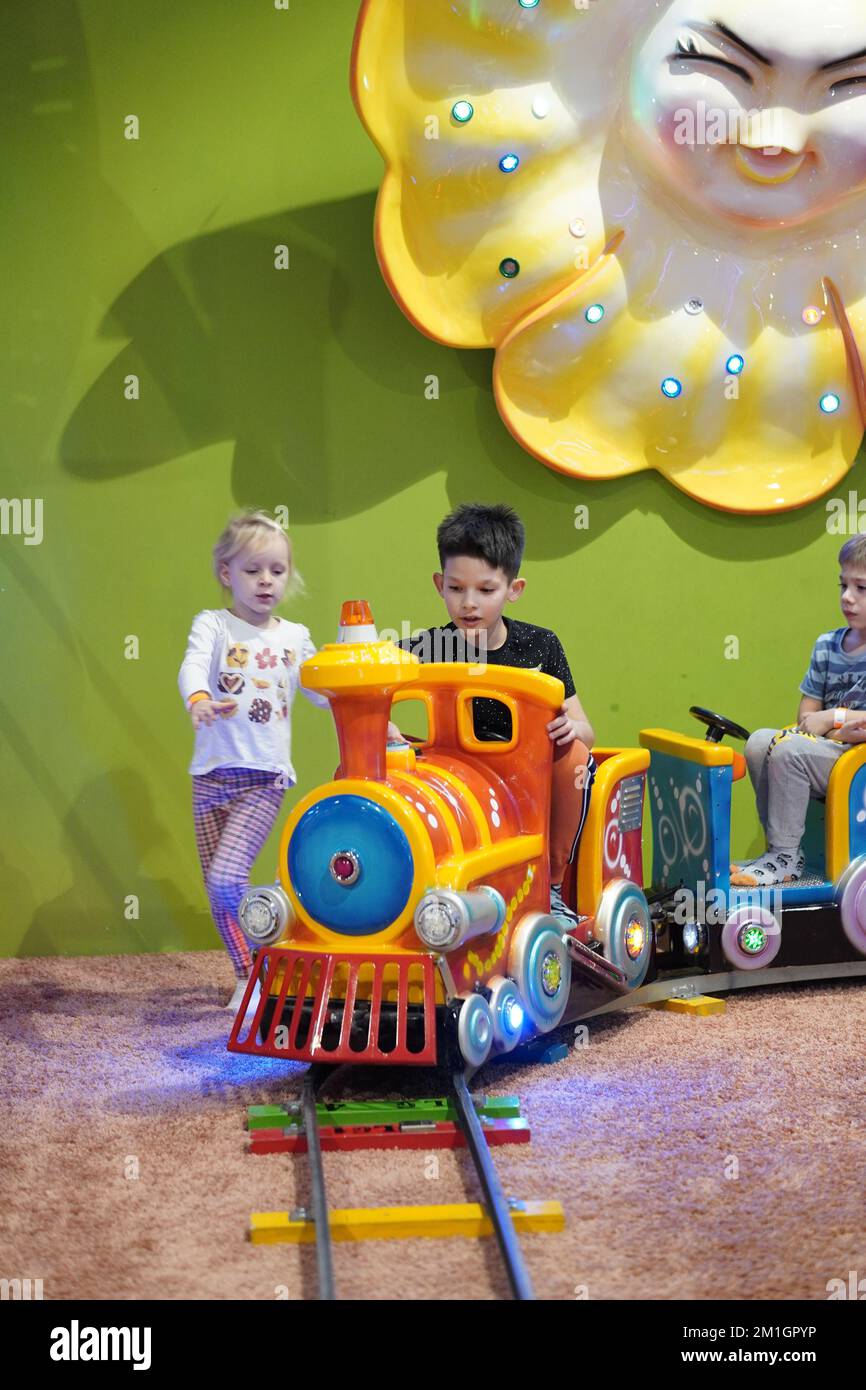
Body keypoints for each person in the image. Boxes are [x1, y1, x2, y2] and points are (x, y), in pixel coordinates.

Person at [389, 501, 595, 927]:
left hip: (525, 774)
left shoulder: (540, 646)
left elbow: (586, 730)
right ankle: (400, 888)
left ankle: (550, 887)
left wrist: (568, 727)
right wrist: (385, 726)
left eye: (486, 590)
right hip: (451, 775)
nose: (468, 603)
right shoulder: (423, 649)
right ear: (438, 584)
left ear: (513, 589)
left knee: (576, 757)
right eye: (455, 588)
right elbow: (371, 692)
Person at [178, 510, 329, 1012]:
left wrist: (371, 711)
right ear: (227, 573)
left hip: (262, 779)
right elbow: (193, 665)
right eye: (253, 570)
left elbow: (322, 691)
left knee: (227, 879)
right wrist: (199, 697)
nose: (267, 581)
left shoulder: (293, 637)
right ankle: (251, 973)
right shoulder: (214, 625)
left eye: (277, 570)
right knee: (219, 889)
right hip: (210, 778)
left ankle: (273, 944)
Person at [731, 536, 866, 888]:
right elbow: (807, 716)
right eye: (844, 585)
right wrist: (837, 728)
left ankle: (785, 855)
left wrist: (831, 720)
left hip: (860, 765)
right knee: (761, 742)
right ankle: (781, 848)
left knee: (790, 751)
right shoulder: (826, 646)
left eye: (861, 588)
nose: (847, 597)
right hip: (833, 751)